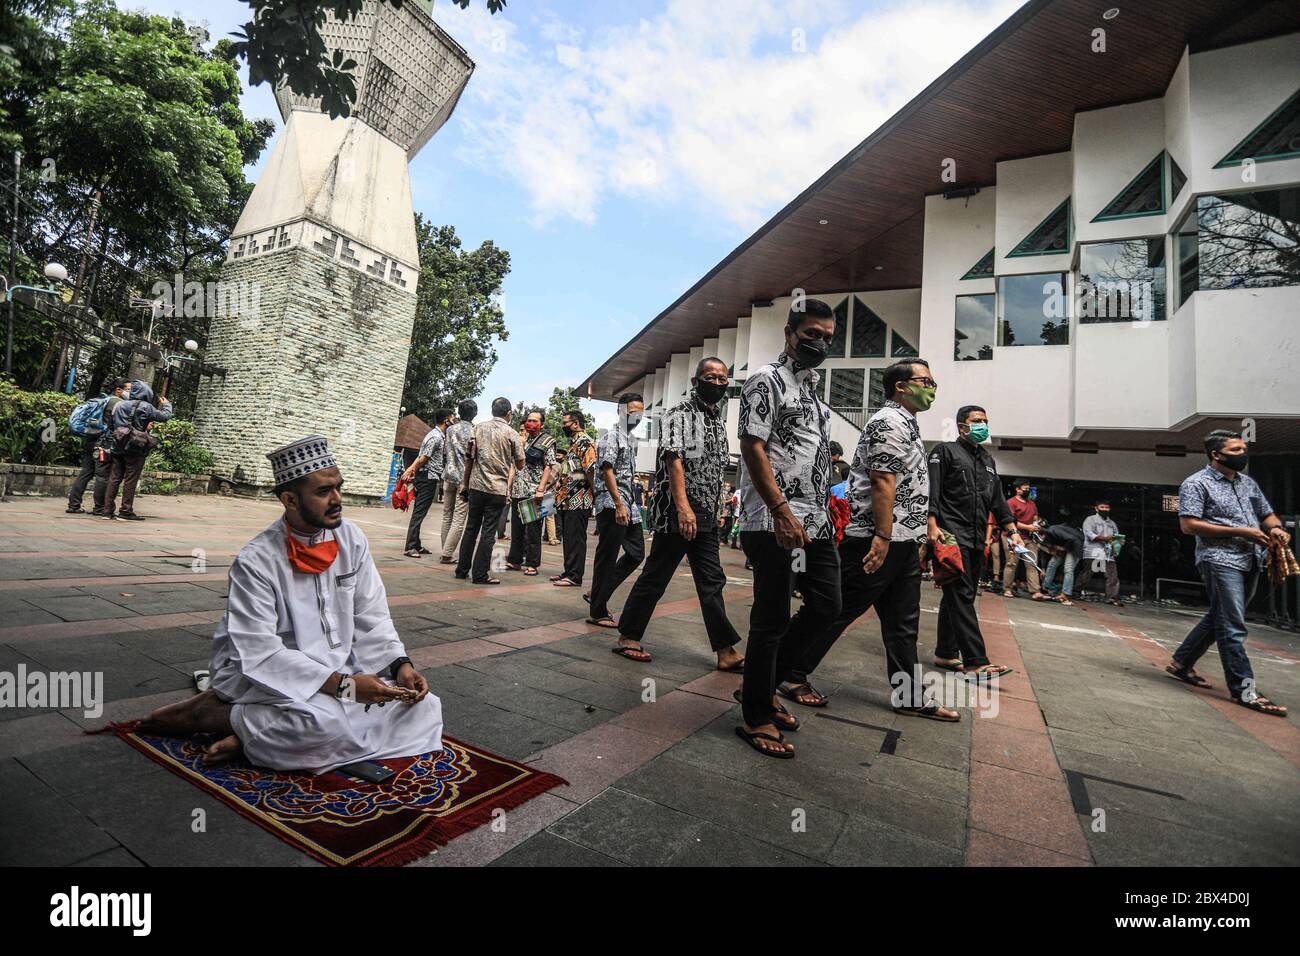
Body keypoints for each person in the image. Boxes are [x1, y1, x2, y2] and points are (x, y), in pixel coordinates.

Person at [135, 435, 442, 771]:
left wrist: (400, 666)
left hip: (341, 671)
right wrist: (346, 687)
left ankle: (250, 732)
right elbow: (259, 653)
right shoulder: (257, 560)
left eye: (338, 487)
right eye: (324, 492)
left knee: (424, 709)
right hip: (265, 676)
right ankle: (211, 714)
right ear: (290, 500)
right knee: (322, 724)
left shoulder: (351, 538)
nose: (338, 499)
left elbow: (371, 613)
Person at [790, 359, 959, 722]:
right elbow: (883, 480)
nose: (932, 387)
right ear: (901, 385)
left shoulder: (907, 423)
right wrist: (882, 536)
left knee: (903, 623)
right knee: (836, 610)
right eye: (926, 380)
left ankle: (910, 695)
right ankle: (788, 673)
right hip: (876, 538)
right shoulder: (888, 422)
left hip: (902, 541)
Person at [734, 299, 843, 758]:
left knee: (827, 604)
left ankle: (762, 684)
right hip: (773, 518)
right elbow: (752, 446)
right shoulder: (767, 380)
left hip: (814, 519)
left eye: (828, 337)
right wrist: (780, 509)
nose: (820, 343)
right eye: (812, 334)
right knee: (773, 616)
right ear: (790, 332)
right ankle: (757, 713)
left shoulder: (815, 394)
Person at [611, 358, 744, 672]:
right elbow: (675, 461)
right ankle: (628, 636)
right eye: (711, 377)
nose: (719, 383)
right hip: (678, 511)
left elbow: (712, 471)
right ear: (696, 381)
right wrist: (684, 507)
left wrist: (718, 508)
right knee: (657, 574)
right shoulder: (682, 414)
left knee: (712, 580)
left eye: (724, 379)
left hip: (707, 513)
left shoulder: (715, 418)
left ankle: (725, 651)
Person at [1167, 430, 1290, 716]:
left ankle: (1181, 662)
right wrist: (1241, 531)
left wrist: (1276, 529)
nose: (1243, 454)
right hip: (1219, 560)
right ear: (1216, 455)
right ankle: (1245, 690)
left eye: (1243, 448)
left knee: (1220, 616)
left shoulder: (1247, 483)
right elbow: (1189, 525)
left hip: (1251, 559)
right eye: (1236, 450)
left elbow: (1267, 514)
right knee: (1232, 625)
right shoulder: (1196, 484)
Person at [926, 405, 1022, 679]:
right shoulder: (944, 452)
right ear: (961, 426)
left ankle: (945, 653)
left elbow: (998, 500)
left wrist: (1012, 529)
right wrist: (932, 525)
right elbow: (933, 490)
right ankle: (975, 660)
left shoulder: (988, 460)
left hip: (977, 538)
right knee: (961, 596)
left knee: (957, 595)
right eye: (977, 421)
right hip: (950, 536)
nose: (983, 425)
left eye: (985, 421)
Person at [586, 394, 646, 626]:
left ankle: (598, 593)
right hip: (613, 504)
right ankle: (598, 611)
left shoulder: (629, 439)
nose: (637, 416)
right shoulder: (611, 437)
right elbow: (607, 470)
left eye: (641, 412)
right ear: (621, 411)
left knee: (636, 553)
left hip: (629, 505)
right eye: (632, 411)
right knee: (607, 557)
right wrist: (619, 504)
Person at [456, 397, 525, 585]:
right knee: (488, 532)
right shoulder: (512, 434)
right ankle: (480, 574)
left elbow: (469, 458)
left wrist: (465, 483)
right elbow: (520, 464)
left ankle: (462, 569)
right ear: (509, 413)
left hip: (476, 486)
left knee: (471, 528)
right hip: (497, 489)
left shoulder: (477, 428)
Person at [102, 379, 173, 521]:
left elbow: (111, 425)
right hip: (135, 448)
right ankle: (125, 511)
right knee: (130, 479)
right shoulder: (146, 406)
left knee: (114, 478)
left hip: (118, 445)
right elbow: (165, 417)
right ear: (147, 393)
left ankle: (107, 511)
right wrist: (167, 405)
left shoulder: (119, 404)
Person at [505, 410, 556, 576]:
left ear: (541, 424)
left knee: (534, 530)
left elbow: (549, 465)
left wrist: (541, 488)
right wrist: (509, 486)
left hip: (535, 491)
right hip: (518, 490)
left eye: (535, 421)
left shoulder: (547, 441)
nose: (530, 423)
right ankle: (515, 560)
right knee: (517, 528)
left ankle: (533, 563)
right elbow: (514, 465)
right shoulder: (520, 439)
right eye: (528, 420)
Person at [67, 378, 127, 515]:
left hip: (91, 440)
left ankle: (74, 505)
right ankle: (99, 508)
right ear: (118, 390)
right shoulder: (117, 403)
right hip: (104, 443)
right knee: (102, 476)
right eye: (128, 389)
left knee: (85, 472)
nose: (130, 392)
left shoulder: (101, 399)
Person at [553, 409, 597, 588]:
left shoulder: (585, 442)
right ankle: (568, 571)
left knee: (576, 539)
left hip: (580, 499)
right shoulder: (574, 443)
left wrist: (596, 493)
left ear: (576, 423)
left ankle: (574, 575)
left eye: (566, 423)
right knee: (569, 538)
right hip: (567, 500)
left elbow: (591, 470)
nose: (564, 426)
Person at [401, 408, 452, 557]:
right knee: (419, 513)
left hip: (428, 477)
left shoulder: (437, 435)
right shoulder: (435, 437)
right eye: (452, 419)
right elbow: (424, 457)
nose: (453, 422)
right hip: (427, 478)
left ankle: (416, 544)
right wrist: (410, 470)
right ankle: (410, 547)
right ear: (446, 421)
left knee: (420, 512)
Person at [438, 401, 476, 565]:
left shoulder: (450, 429)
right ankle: (447, 554)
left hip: (448, 474)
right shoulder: (475, 431)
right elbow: (473, 456)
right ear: (474, 413)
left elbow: (446, 451)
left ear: (459, 413)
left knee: (447, 514)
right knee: (459, 518)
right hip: (463, 479)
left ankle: (445, 550)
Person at [1002, 478, 1047, 599]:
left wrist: (1037, 524)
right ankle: (1007, 589)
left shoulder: (1032, 504)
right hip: (1013, 537)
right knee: (1012, 563)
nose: (1028, 491)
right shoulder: (1011, 503)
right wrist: (1028, 527)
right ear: (1017, 489)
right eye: (1025, 489)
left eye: (1028, 489)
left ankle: (1035, 591)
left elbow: (1035, 518)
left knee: (1032, 564)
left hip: (1029, 538)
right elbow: (1010, 521)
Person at [1076, 499, 1122, 606]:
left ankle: (1112, 598)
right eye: (1102, 507)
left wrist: (1119, 541)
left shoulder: (1112, 523)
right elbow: (1090, 535)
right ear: (1096, 508)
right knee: (1087, 574)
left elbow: (1116, 537)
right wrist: (1107, 538)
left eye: (1107, 507)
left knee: (1112, 576)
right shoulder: (1090, 520)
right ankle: (1076, 592)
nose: (1105, 509)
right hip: (1093, 551)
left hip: (1108, 553)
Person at [1040, 522, 1085, 605]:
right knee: (1052, 563)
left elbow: (1071, 539)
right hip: (1068, 544)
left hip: (1076, 545)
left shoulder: (1050, 533)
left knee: (1068, 568)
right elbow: (1045, 553)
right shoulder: (1052, 530)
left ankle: (1065, 594)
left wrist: (1063, 549)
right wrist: (1043, 568)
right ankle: (1045, 587)